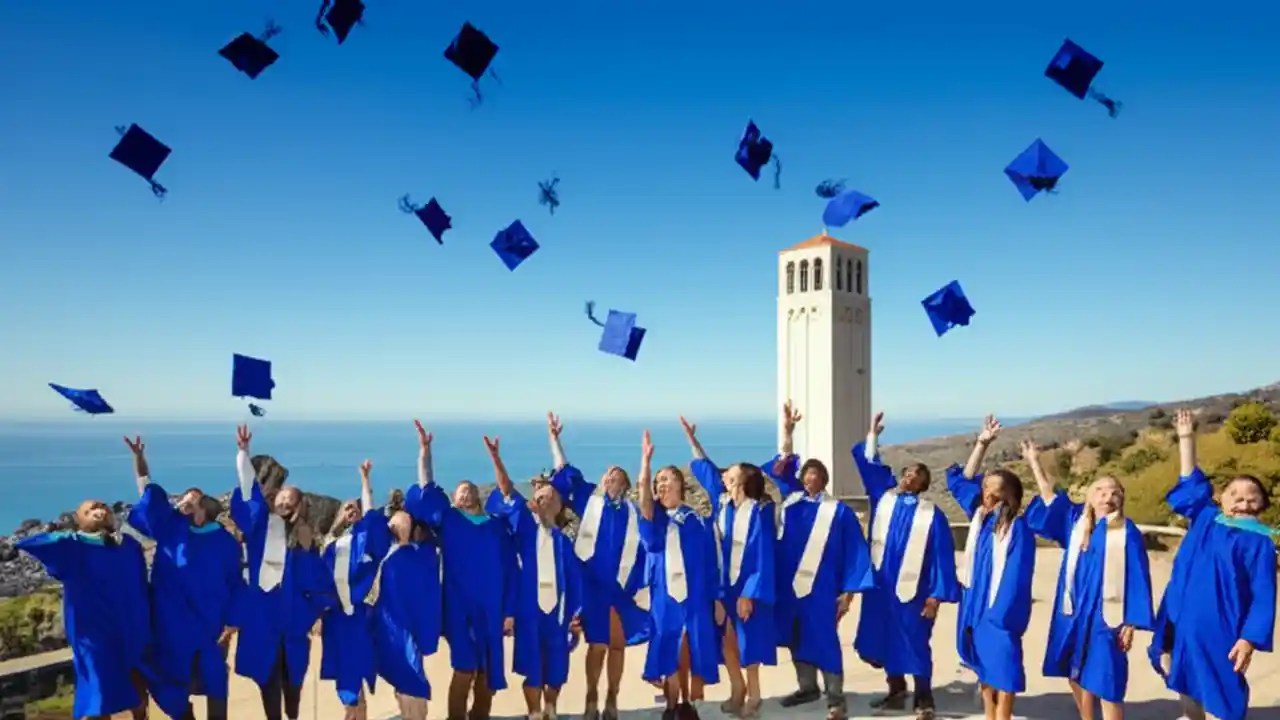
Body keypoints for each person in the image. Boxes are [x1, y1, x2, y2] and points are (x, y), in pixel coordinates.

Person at [1148, 409, 1277, 720]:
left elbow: (1263, 595)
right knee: (1185, 684)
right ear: (1222, 500)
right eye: (1235, 494)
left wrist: (1249, 638)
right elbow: (1190, 485)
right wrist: (1186, 438)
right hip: (1180, 622)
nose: (1243, 500)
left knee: (1224, 692)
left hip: (1222, 629)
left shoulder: (1260, 541)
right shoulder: (1206, 519)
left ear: (1262, 505)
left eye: (1252, 496)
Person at [1022, 438, 1154, 720]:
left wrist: (1131, 621)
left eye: (1115, 492)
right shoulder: (1074, 521)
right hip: (1071, 610)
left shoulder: (1126, 531)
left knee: (1107, 677)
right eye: (1101, 490)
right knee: (1073, 666)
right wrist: (1034, 461)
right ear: (1089, 497)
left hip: (1107, 614)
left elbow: (1139, 576)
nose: (1108, 496)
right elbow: (1048, 497)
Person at [764, 403, 874, 720]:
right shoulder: (791, 500)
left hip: (822, 588)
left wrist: (849, 592)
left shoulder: (838, 512)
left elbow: (855, 552)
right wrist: (788, 431)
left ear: (824, 479)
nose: (810, 478)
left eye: (816, 475)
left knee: (824, 638)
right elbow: (782, 464)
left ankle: (836, 698)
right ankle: (806, 687)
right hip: (789, 586)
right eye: (806, 474)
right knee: (796, 635)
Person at [851, 410, 961, 720]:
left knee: (914, 641)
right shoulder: (883, 497)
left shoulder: (932, 514)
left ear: (924, 484)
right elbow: (870, 467)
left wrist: (936, 596)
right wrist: (873, 435)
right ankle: (896, 690)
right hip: (880, 589)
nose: (911, 477)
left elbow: (942, 557)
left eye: (918, 475)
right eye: (908, 472)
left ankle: (924, 698)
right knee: (882, 639)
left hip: (914, 592)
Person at [404, 419, 517, 720]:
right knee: (465, 666)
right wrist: (424, 453)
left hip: (492, 607)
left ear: (479, 496)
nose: (465, 494)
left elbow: (510, 569)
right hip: (460, 606)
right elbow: (427, 489)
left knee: (488, 672)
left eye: (469, 490)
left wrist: (509, 610)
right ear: (453, 500)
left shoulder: (496, 526)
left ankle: (480, 715)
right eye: (460, 492)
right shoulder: (450, 522)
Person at [124, 435, 240, 720]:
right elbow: (146, 493)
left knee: (214, 679)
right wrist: (139, 458)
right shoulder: (169, 526)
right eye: (183, 500)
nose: (185, 504)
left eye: (192, 501)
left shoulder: (223, 541)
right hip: (170, 619)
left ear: (204, 509)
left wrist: (232, 622)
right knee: (171, 677)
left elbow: (235, 580)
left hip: (209, 621)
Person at [542, 412, 649, 720]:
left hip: (621, 586)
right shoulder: (591, 500)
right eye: (607, 476)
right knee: (597, 645)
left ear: (626, 484)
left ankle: (612, 699)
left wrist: (639, 586)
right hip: (591, 585)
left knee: (617, 645)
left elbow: (645, 549)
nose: (610, 480)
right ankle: (591, 696)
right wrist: (555, 439)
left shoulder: (634, 512)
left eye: (616, 477)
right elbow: (564, 473)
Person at [231, 424, 333, 720]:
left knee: (293, 688)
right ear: (273, 499)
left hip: (291, 621)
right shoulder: (258, 525)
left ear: (300, 506)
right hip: (262, 617)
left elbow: (315, 582)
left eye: (292, 500)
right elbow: (249, 492)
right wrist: (243, 453)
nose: (285, 502)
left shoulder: (303, 538)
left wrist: (308, 549)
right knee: (268, 684)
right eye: (282, 498)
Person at [16, 500, 151, 720]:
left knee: (137, 690)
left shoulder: (128, 546)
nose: (99, 511)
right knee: (97, 695)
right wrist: (62, 535)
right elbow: (30, 543)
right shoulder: (72, 547)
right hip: (92, 633)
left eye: (103, 507)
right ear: (78, 520)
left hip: (131, 629)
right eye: (89, 511)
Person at [485, 432, 584, 720]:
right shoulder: (525, 530)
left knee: (556, 669)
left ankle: (550, 709)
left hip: (557, 613)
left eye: (549, 497)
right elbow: (506, 490)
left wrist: (577, 614)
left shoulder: (565, 543)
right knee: (531, 667)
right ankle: (534, 713)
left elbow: (574, 581)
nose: (542, 501)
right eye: (538, 497)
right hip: (529, 611)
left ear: (558, 506)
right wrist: (496, 458)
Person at [682, 416, 776, 718]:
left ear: (742, 482)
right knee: (726, 639)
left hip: (747, 585)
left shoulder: (759, 511)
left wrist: (749, 593)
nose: (724, 477)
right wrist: (693, 441)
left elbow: (762, 555)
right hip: (723, 584)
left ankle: (754, 693)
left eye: (730, 476)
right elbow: (708, 472)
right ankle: (737, 689)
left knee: (748, 642)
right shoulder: (722, 503)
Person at [947, 415, 1035, 720]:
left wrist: (1002, 613)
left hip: (999, 607)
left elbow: (1017, 576)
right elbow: (961, 483)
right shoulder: (980, 519)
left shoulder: (1017, 528)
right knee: (983, 663)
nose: (987, 492)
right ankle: (990, 714)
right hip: (975, 602)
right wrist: (981, 444)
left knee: (1005, 662)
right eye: (986, 487)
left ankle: (1004, 715)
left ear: (1012, 495)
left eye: (996, 488)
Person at [637, 429, 721, 720]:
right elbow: (644, 497)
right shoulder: (654, 520)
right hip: (665, 595)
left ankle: (689, 704)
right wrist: (646, 463)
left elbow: (710, 562)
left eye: (667, 480)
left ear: (681, 486)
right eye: (658, 481)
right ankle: (671, 705)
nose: (661, 486)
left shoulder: (696, 520)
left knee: (692, 646)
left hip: (695, 594)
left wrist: (717, 598)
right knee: (668, 647)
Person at [367, 442, 440, 720]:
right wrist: (366, 482)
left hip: (413, 623)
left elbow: (428, 489)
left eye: (404, 520)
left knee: (414, 677)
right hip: (388, 624)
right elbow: (369, 517)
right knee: (402, 680)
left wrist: (424, 453)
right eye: (395, 522)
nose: (400, 524)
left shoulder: (424, 553)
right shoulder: (384, 554)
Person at [320, 460, 386, 720]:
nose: (352, 510)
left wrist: (365, 480)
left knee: (356, 666)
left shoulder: (366, 538)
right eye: (347, 508)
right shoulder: (332, 544)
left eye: (355, 507)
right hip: (335, 615)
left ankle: (357, 713)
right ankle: (353, 712)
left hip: (360, 613)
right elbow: (321, 580)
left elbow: (370, 513)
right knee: (344, 671)